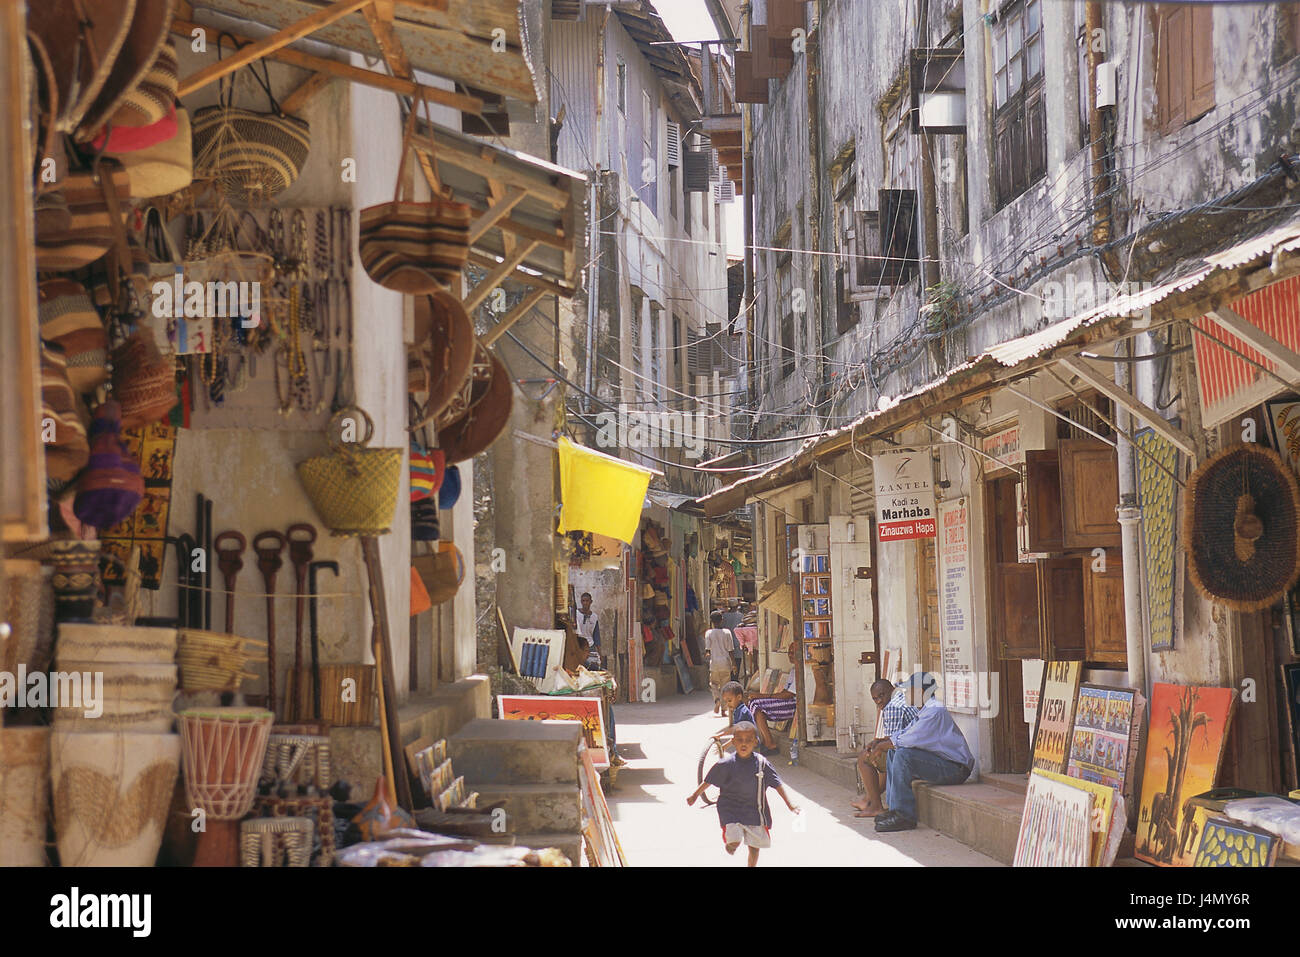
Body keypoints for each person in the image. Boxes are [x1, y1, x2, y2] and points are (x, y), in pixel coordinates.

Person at [686, 721, 800, 866]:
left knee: (755, 848)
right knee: (734, 839)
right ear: (733, 742)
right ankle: (731, 844)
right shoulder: (726, 763)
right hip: (730, 808)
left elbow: (777, 784)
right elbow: (709, 780)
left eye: (748, 740)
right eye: (739, 740)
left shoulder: (762, 764)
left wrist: (790, 804)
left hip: (755, 810)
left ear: (755, 742)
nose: (744, 744)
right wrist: (695, 795)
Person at [873, 672, 974, 833]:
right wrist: (882, 742)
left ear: (920, 692)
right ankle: (894, 810)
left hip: (956, 769)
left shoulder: (934, 711)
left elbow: (910, 739)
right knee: (894, 752)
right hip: (944, 764)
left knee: (903, 755)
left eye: (909, 690)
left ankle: (904, 815)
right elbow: (905, 733)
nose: (906, 694)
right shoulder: (925, 710)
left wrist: (885, 745)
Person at [851, 679, 919, 817]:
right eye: (875, 698)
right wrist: (878, 741)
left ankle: (875, 805)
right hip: (914, 749)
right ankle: (869, 800)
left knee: (865, 758)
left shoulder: (893, 706)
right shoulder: (900, 695)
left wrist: (878, 747)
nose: (879, 701)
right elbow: (896, 736)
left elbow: (893, 744)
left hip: (913, 754)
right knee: (879, 752)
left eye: (882, 695)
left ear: (891, 690)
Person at [745, 645, 800, 756]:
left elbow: (788, 695)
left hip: (793, 705)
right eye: (789, 652)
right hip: (787, 702)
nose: (790, 655)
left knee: (756, 704)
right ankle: (767, 741)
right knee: (754, 705)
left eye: (793, 653)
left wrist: (762, 696)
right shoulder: (794, 670)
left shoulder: (800, 671)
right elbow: (785, 691)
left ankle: (769, 743)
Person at [703, 611, 736, 714]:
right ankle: (723, 709)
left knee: (713, 684)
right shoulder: (727, 632)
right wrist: (734, 664)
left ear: (711, 622)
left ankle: (717, 700)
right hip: (725, 663)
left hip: (714, 664)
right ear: (722, 620)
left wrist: (707, 655)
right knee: (725, 687)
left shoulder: (708, 633)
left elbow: (707, 650)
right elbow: (730, 650)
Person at [574, 592, 602, 668]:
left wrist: (600, 653)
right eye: (583, 601)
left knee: (592, 667)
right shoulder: (575, 615)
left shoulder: (594, 617)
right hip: (579, 644)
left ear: (591, 602)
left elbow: (596, 636)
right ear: (581, 602)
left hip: (590, 645)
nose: (585, 603)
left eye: (587, 601)